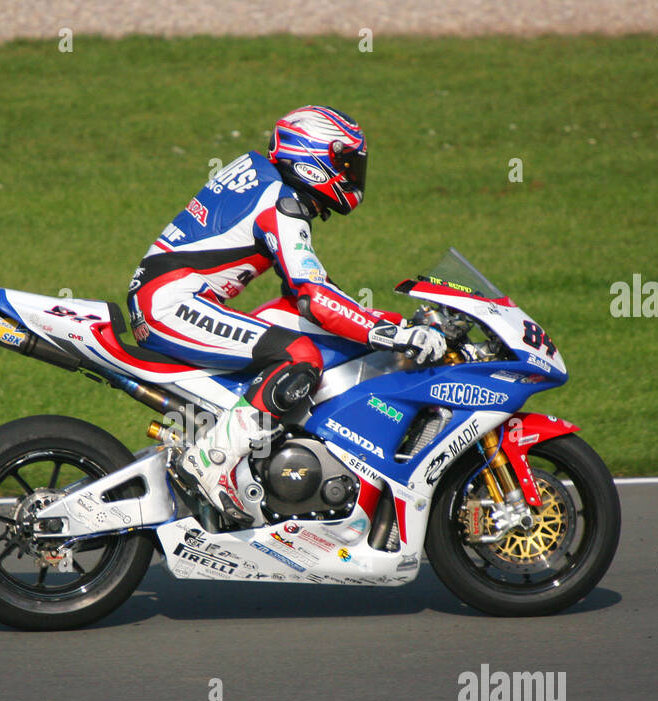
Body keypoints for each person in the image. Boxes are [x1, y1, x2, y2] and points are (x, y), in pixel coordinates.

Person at [126, 106, 445, 523]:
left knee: (295, 328)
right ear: (314, 156)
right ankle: (212, 460)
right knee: (300, 355)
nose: (352, 175)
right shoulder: (281, 202)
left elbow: (311, 296)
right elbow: (312, 294)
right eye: (344, 162)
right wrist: (393, 335)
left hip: (171, 297)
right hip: (171, 304)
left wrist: (393, 323)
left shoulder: (268, 183)